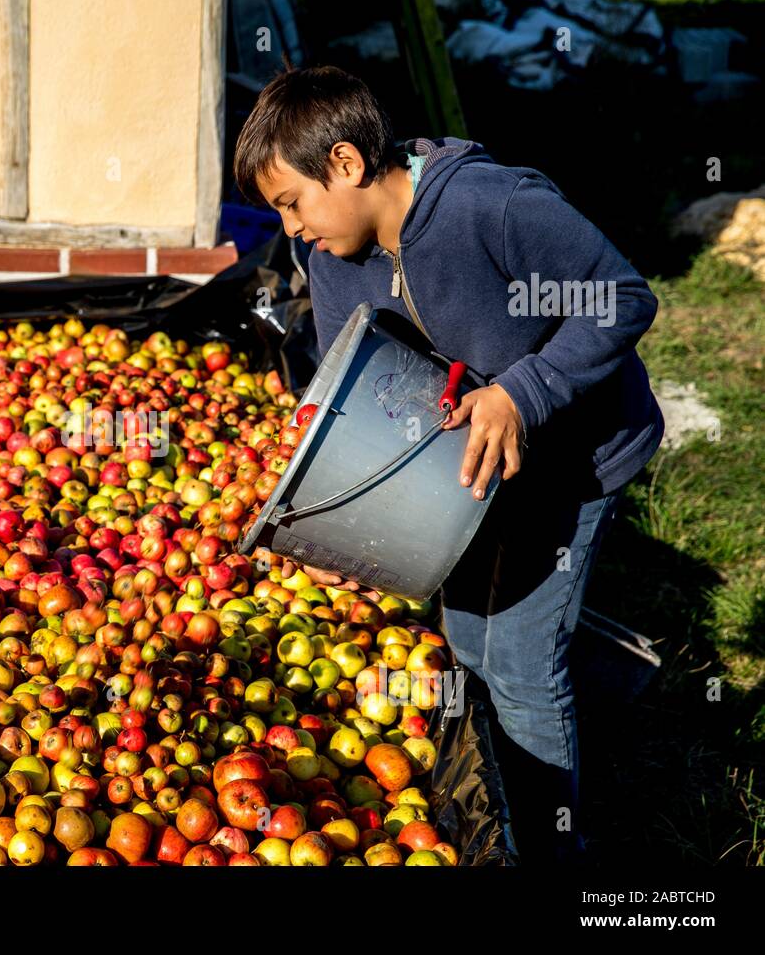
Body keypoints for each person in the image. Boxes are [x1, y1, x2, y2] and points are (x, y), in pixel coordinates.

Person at [235, 66, 664, 864]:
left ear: (346, 166)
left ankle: (551, 850)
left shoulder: (488, 208)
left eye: (291, 203)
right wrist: (328, 513)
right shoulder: (333, 257)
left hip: (574, 455)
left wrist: (522, 393)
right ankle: (507, 802)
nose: (291, 230)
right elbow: (350, 390)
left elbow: (621, 297)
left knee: (522, 661)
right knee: (468, 642)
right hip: (466, 472)